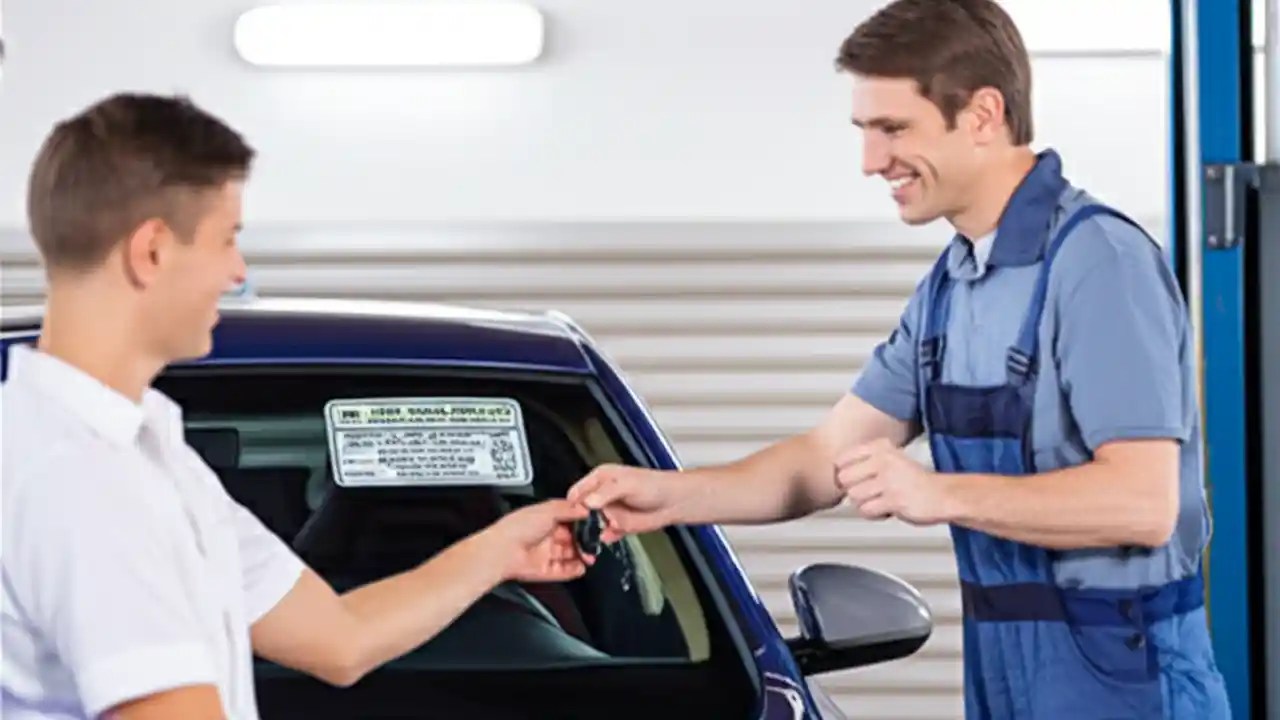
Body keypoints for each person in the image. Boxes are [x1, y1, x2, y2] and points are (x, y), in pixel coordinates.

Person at [568, 1, 1231, 717]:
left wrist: (940, 492)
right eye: (864, 132)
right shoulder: (952, 286)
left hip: (1127, 681)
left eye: (893, 129)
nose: (871, 161)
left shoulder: (1099, 264)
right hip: (1007, 673)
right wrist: (669, 497)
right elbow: (823, 459)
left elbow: (1141, 503)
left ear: (982, 114)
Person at [0, 93, 592, 720]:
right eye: (226, 239)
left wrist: (501, 549)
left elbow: (340, 636)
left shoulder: (156, 462)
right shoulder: (83, 479)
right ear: (151, 251)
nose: (238, 271)